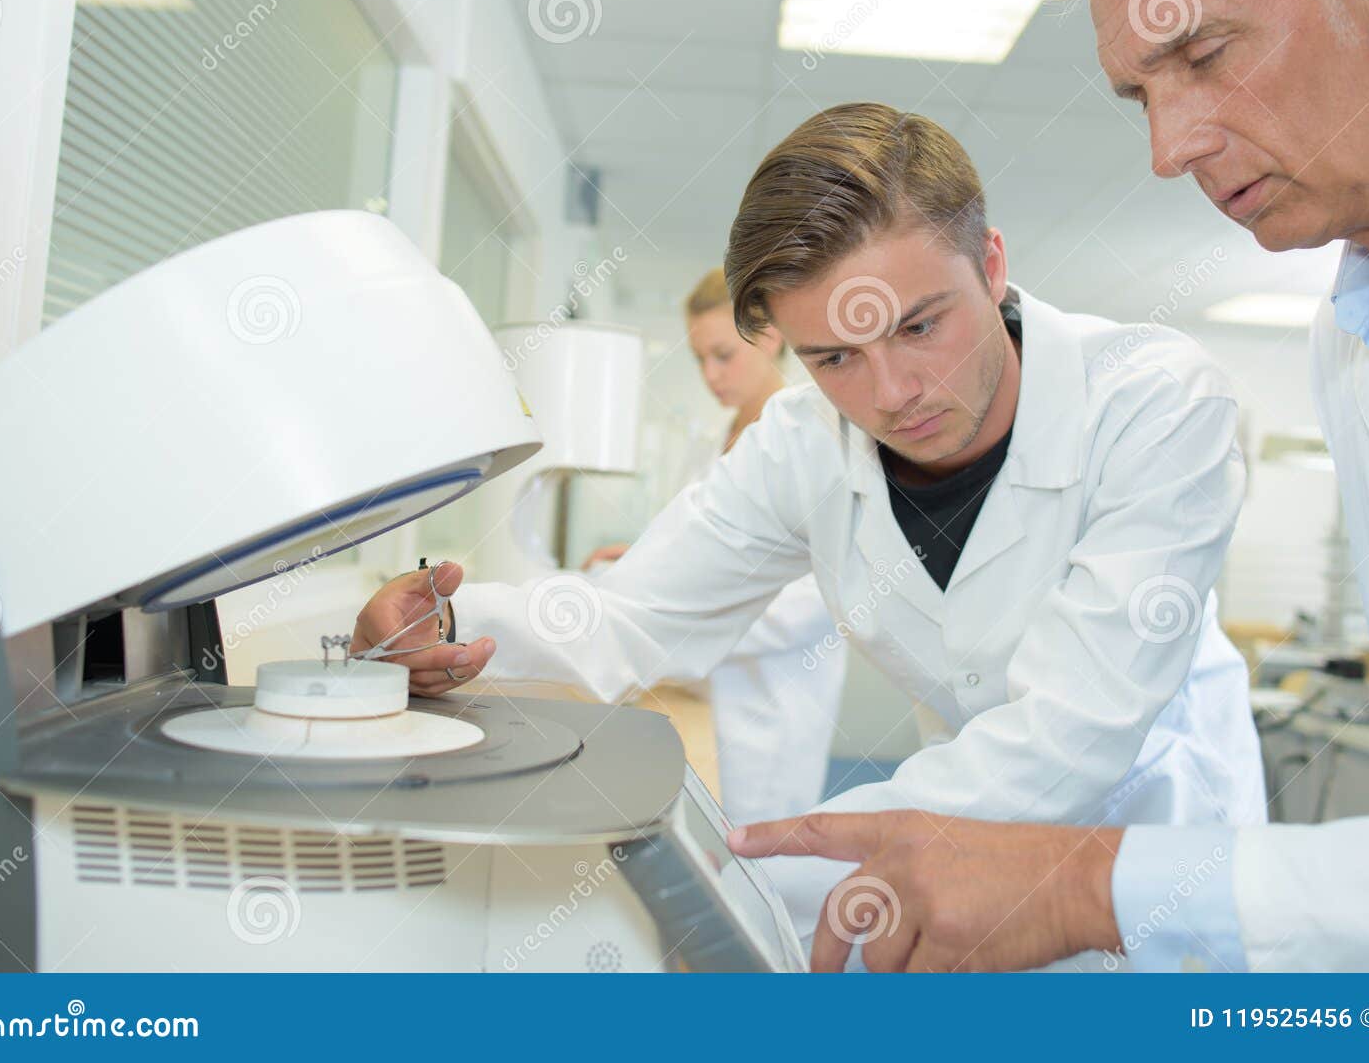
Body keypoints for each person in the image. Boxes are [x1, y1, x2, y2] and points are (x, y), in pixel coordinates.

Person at [732, 0, 1369, 971]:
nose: (1167, 146)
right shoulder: (1361, 328)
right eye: (1143, 92)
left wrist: (1096, 889)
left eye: (1201, 55)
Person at [351, 103, 1266, 939]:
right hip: (956, 853)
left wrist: (790, 862)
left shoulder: (1153, 402)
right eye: (834, 357)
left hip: (1159, 869)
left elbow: (1074, 732)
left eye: (918, 327)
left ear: (990, 265)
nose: (894, 393)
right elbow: (635, 613)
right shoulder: (801, 441)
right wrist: (457, 627)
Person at [580, 270, 848, 826]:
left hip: (771, 702)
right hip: (698, 692)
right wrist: (640, 564)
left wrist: (680, 617)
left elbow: (810, 604)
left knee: (764, 865)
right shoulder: (711, 443)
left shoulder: (821, 439)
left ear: (770, 336)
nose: (710, 375)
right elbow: (696, 551)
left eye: (723, 355)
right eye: (700, 360)